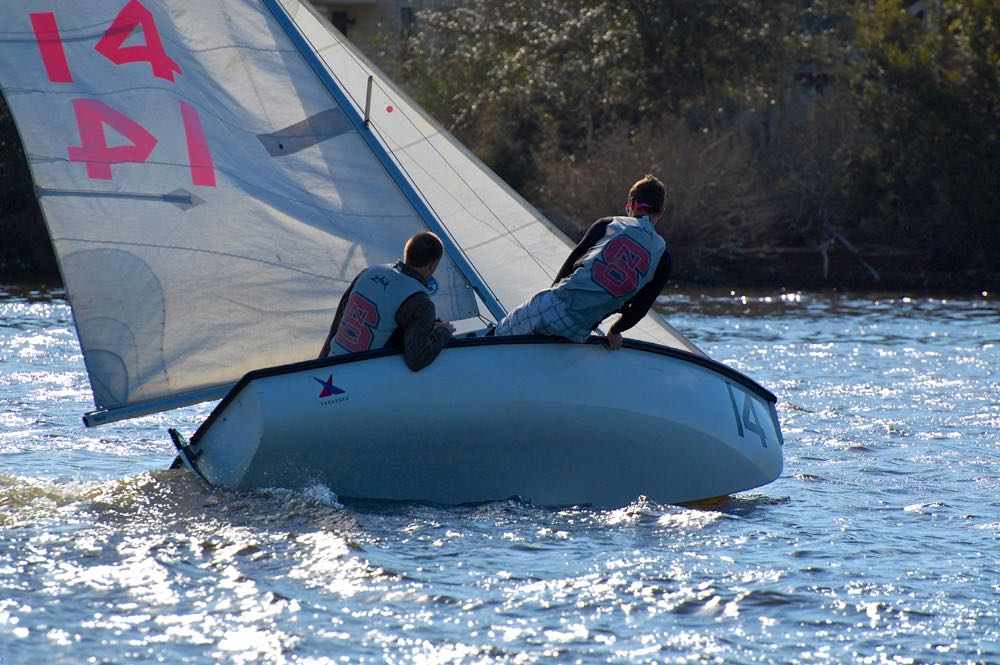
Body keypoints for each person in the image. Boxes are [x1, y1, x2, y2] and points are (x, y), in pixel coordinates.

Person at [494, 174, 672, 350]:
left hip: (554, 306)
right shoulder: (663, 257)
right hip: (579, 330)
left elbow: (570, 265)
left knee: (495, 337)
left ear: (631, 204)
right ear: (661, 213)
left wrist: (553, 297)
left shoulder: (608, 224)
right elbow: (640, 308)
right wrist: (616, 331)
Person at [319, 231, 455, 370]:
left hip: (331, 367)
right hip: (360, 378)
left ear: (406, 253)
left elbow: (337, 324)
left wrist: (319, 365)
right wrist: (444, 331)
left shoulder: (369, 273)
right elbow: (416, 360)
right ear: (433, 265)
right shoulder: (420, 302)